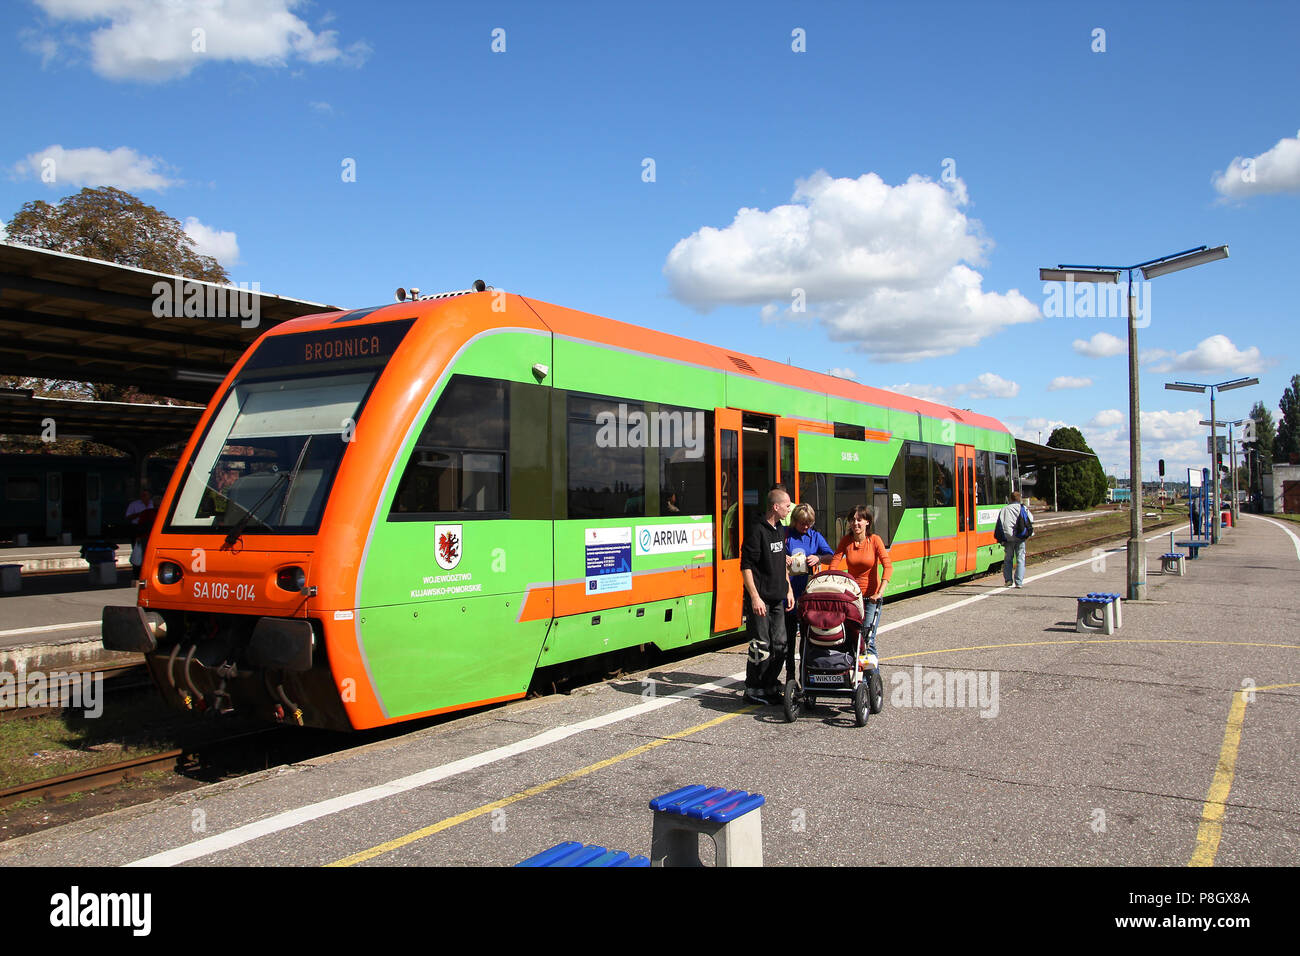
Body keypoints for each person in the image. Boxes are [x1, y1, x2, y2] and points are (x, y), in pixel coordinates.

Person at [741, 487, 795, 704]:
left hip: (777, 598)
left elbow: (781, 562)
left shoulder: (780, 529)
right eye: (787, 505)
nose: (789, 509)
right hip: (761, 600)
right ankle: (753, 689)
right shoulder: (757, 530)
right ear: (776, 506)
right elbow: (746, 566)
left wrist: (788, 588)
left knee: (781, 645)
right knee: (760, 646)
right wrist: (754, 597)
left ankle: (770, 685)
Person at [831, 505, 892, 657]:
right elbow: (834, 563)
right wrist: (830, 583)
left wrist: (880, 593)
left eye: (859, 520)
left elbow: (888, 567)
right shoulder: (846, 541)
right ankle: (855, 676)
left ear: (867, 522)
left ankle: (872, 677)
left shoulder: (875, 540)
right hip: (853, 598)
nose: (855, 523)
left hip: (871, 598)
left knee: (867, 639)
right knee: (850, 638)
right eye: (852, 520)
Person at [784, 503, 835, 681]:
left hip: (808, 596)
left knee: (807, 639)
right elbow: (771, 551)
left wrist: (819, 558)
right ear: (794, 521)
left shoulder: (815, 536)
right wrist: (783, 557)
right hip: (787, 595)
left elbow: (832, 556)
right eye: (802, 523)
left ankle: (805, 675)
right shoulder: (785, 534)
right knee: (787, 641)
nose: (805, 527)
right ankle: (790, 676)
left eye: (808, 523)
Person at [997, 492, 1032, 588]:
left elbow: (1000, 523)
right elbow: (1031, 519)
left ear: (1010, 499)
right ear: (1019, 499)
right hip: (1020, 537)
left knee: (1008, 559)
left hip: (1008, 537)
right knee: (1020, 559)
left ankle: (1008, 580)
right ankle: (1019, 582)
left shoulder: (1005, 509)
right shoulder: (1023, 508)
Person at [126, 487, 156, 581]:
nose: (144, 497)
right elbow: (128, 517)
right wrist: (139, 514)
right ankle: (137, 574)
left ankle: (146, 572)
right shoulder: (134, 505)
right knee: (137, 552)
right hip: (138, 529)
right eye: (142, 495)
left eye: (146, 495)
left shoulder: (152, 505)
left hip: (150, 531)